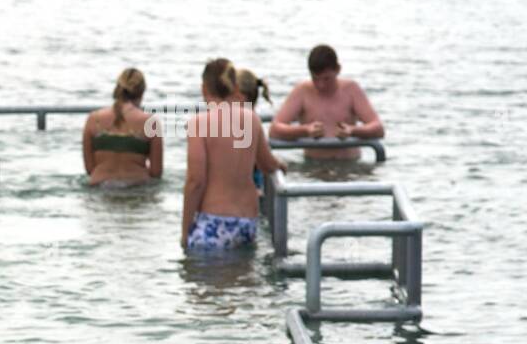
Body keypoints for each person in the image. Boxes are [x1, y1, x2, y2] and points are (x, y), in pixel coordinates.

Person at [182, 58, 285, 252]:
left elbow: (195, 180)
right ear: (233, 87)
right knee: (241, 278)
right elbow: (266, 164)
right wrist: (280, 165)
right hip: (247, 220)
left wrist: (185, 229)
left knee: (207, 280)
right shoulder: (251, 119)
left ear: (204, 88)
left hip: (214, 218)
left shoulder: (199, 124)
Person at [271, 44, 384, 160]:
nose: (321, 85)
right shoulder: (302, 91)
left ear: (338, 70)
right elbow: (275, 130)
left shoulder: (351, 90)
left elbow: (378, 128)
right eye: (315, 79)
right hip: (314, 168)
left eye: (326, 79)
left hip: (349, 168)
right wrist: (304, 130)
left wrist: (352, 130)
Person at [82, 68, 162, 186]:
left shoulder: (94, 119)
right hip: (137, 188)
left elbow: (90, 169)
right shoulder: (150, 122)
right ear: (142, 93)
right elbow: (156, 172)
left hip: (100, 189)